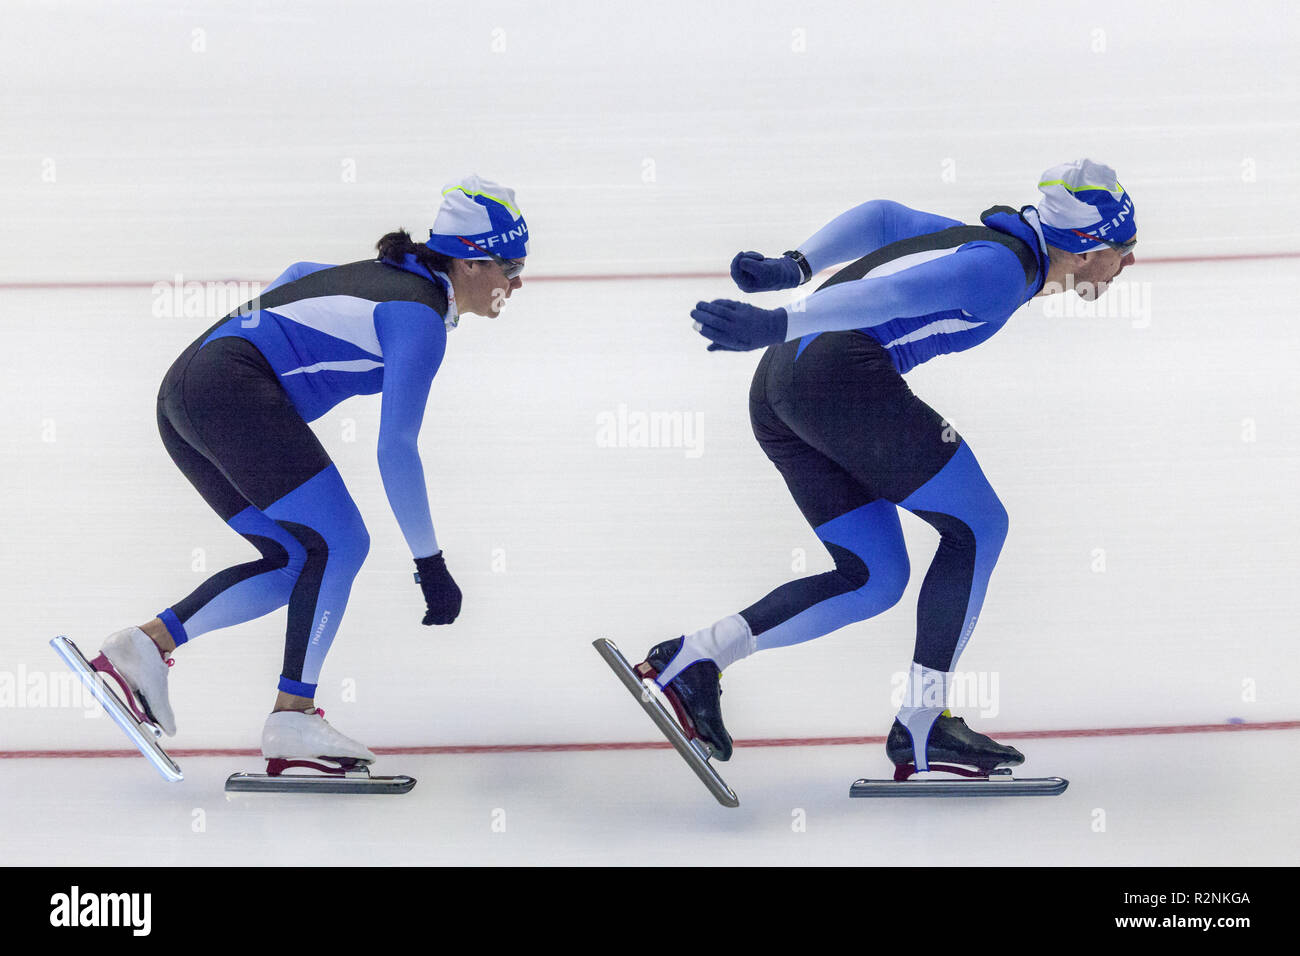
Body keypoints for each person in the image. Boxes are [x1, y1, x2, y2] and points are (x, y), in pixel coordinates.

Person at [638, 159, 1136, 774]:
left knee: (874, 577)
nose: (1130, 263)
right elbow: (889, 294)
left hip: (781, 385)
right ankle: (922, 726)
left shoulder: (989, 246)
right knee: (979, 526)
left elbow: (882, 219)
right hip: (835, 378)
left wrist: (796, 266)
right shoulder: (1000, 269)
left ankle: (693, 660)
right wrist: (782, 315)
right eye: (1124, 248)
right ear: (1085, 253)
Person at [93, 175, 527, 771]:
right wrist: (431, 564)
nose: (518, 281)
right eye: (511, 264)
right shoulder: (420, 318)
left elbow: (298, 274)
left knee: (296, 558)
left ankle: (145, 645)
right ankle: (292, 718)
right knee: (343, 543)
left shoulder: (388, 279)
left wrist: (258, 345)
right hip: (230, 394)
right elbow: (396, 448)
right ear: (472, 263)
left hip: (187, 390)